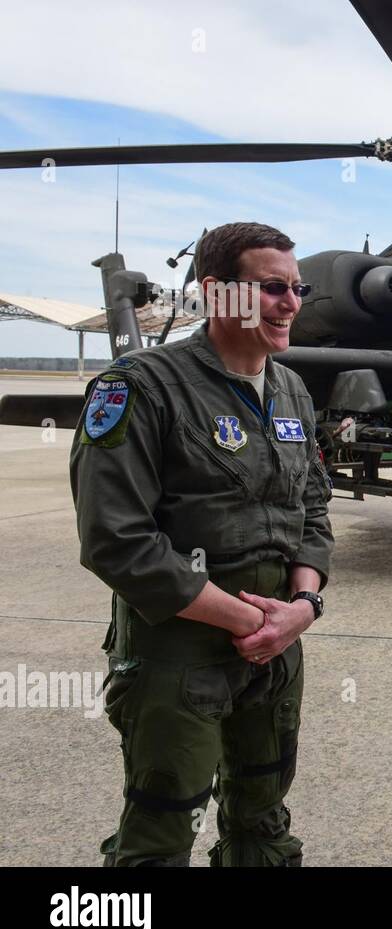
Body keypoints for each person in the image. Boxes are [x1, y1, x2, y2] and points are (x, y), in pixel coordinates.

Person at [70, 221, 334, 866]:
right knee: (160, 834)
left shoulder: (291, 390)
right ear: (218, 294)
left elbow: (313, 509)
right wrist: (250, 619)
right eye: (273, 287)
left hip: (275, 651)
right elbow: (116, 540)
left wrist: (302, 607)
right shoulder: (140, 386)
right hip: (178, 655)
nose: (292, 303)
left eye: (297, 288)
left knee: (263, 822)